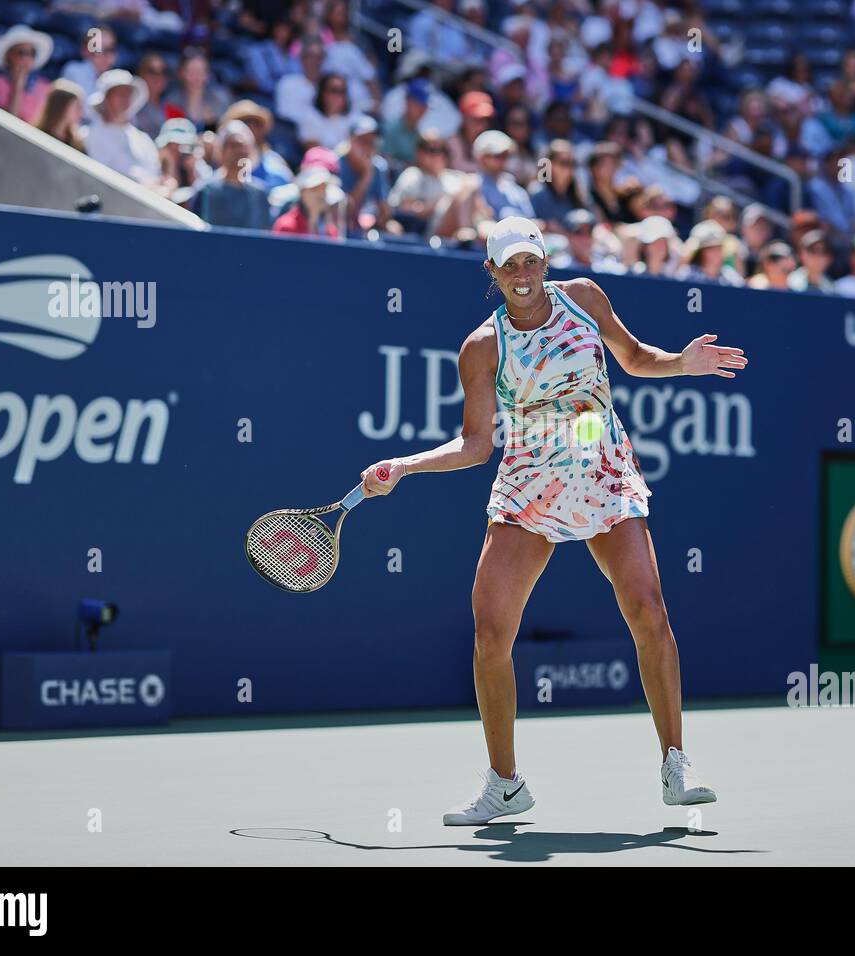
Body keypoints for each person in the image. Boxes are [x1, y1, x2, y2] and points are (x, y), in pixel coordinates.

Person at [356, 216, 747, 824]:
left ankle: (675, 762)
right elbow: (475, 444)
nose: (521, 274)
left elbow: (637, 358)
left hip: (603, 471)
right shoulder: (482, 348)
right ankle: (505, 785)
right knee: (490, 630)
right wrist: (404, 466)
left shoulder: (585, 297)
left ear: (544, 260)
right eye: (508, 265)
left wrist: (682, 363)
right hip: (529, 483)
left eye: (529, 261)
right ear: (491, 272)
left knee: (648, 610)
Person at [85, 69, 161, 186]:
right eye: (119, 94)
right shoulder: (91, 135)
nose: (125, 99)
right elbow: (104, 179)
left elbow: (155, 173)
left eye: (128, 94)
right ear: (107, 99)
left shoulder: (142, 138)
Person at [192, 121, 271, 229]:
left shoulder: (260, 194)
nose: (240, 151)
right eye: (234, 145)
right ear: (222, 150)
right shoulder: (206, 190)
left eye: (244, 146)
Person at [0, 25, 53, 122]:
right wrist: (18, 84)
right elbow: (10, 120)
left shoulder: (45, 87)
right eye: (21, 52)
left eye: (31, 53)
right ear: (8, 55)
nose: (26, 58)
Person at [34, 79, 87, 153]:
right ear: (62, 107)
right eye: (78, 107)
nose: (81, 113)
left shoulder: (76, 145)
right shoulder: (35, 135)